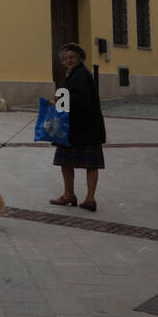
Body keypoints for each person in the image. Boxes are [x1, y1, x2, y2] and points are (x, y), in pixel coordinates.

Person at [50, 42, 107, 211]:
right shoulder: (75, 73)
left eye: (72, 57)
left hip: (81, 127)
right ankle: (80, 197)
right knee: (82, 163)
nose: (69, 60)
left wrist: (58, 102)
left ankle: (79, 196)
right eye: (66, 58)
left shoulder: (80, 74)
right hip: (83, 127)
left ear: (79, 58)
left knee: (74, 163)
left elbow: (79, 99)